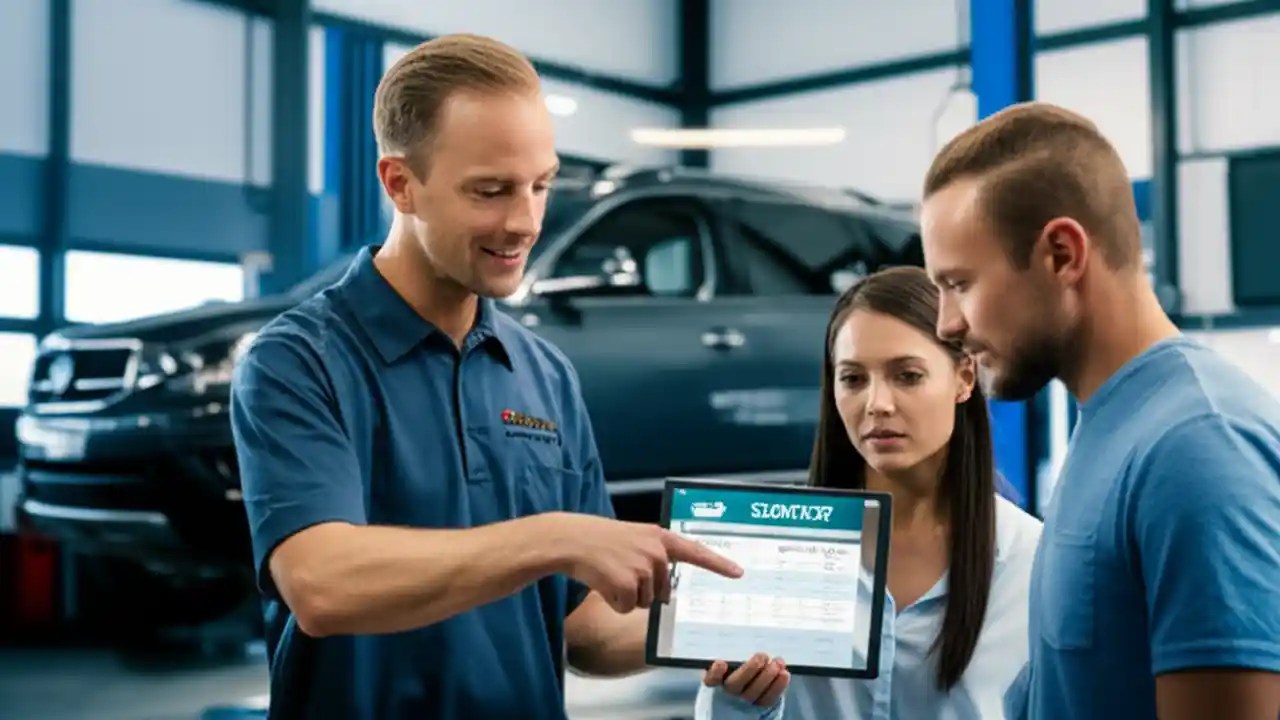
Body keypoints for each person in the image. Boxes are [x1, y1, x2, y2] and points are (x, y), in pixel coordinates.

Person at [228, 34, 741, 720]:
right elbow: (322, 586)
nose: (524, 222)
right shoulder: (297, 361)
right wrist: (556, 538)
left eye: (541, 185)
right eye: (491, 191)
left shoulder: (545, 374)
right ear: (399, 183)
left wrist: (732, 625)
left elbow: (584, 629)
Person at [918, 101, 1280, 720]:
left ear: (1062, 254)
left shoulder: (1196, 448)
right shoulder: (1115, 425)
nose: (946, 324)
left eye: (960, 284)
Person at [696, 266, 1044, 718]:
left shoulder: (1030, 563)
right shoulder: (774, 552)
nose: (877, 404)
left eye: (908, 376)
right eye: (854, 379)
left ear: (964, 378)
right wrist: (738, 703)